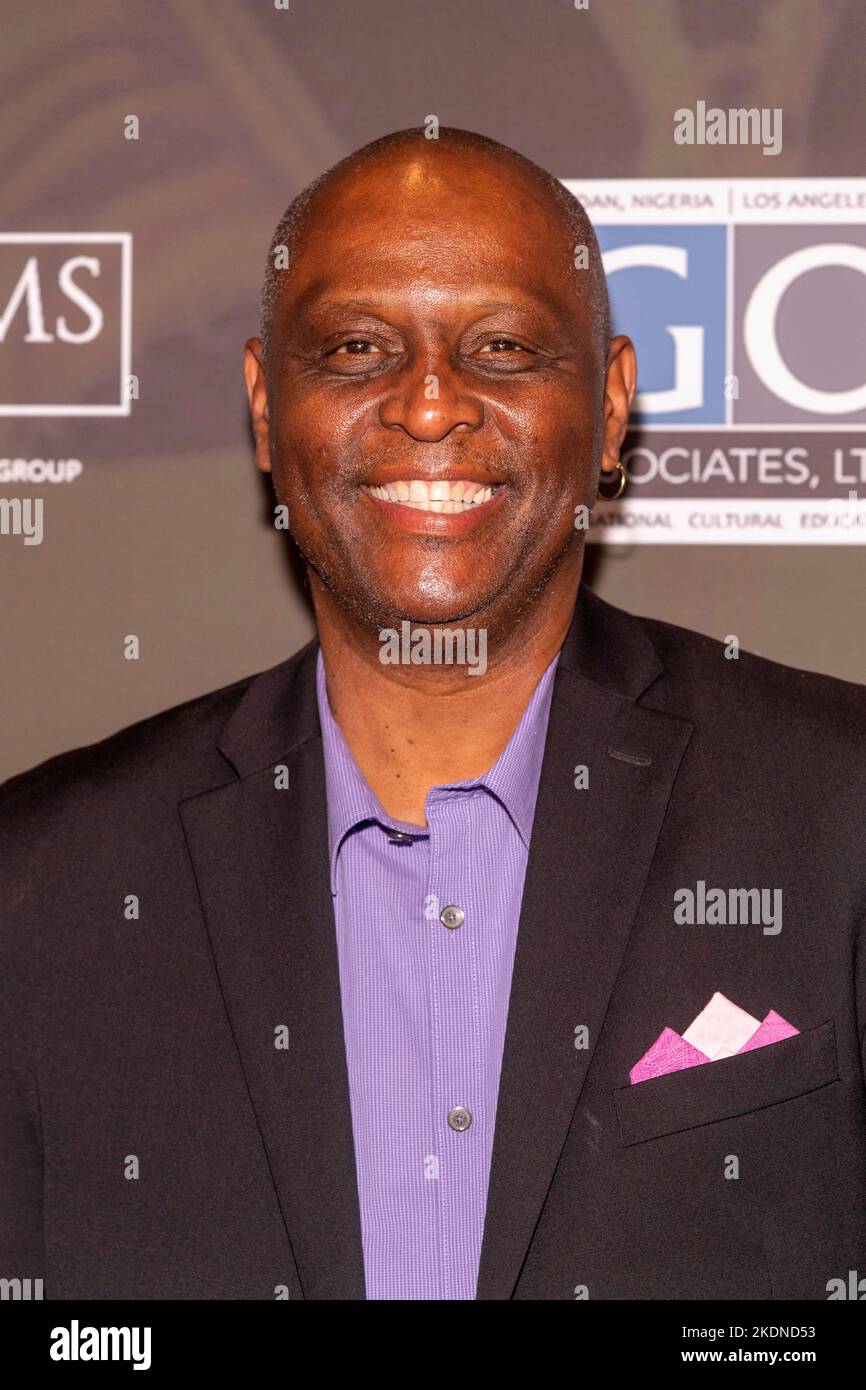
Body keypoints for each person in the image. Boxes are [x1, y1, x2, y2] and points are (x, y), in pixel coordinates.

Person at [1, 128, 864, 1301]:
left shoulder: (834, 812)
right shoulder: (43, 881)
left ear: (610, 403)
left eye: (501, 347)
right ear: (265, 406)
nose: (426, 405)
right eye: (356, 348)